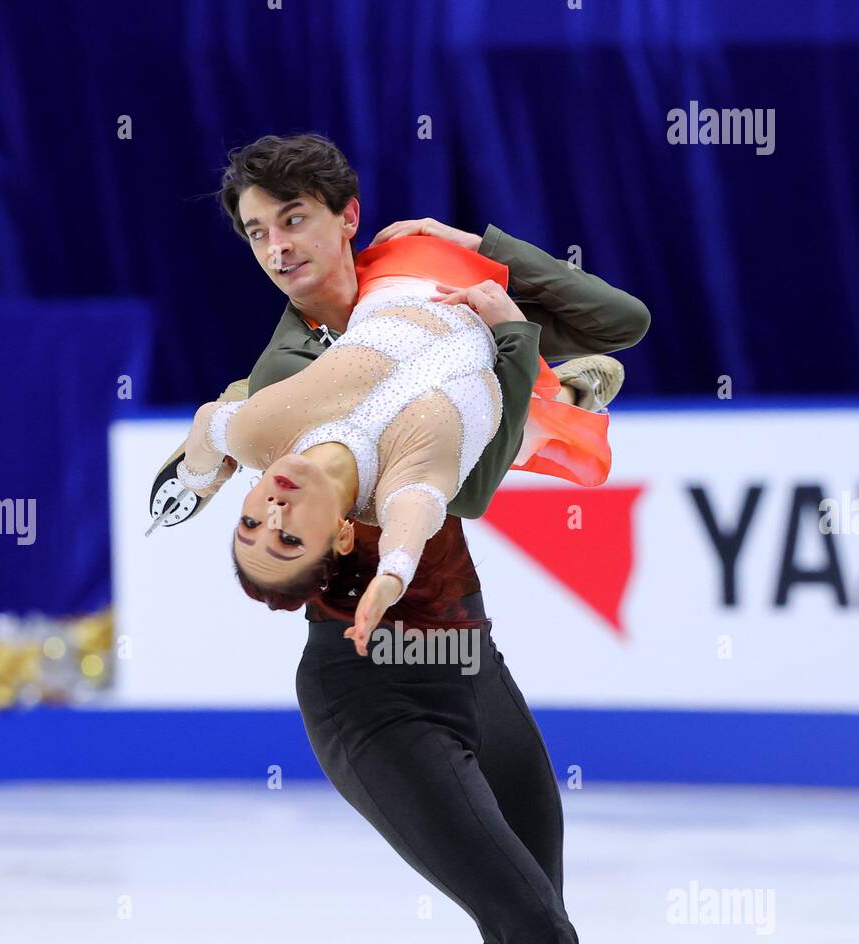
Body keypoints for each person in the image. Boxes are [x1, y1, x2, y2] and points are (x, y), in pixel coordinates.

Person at [152, 133, 691, 944]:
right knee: (528, 924)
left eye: (292, 219)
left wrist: (475, 256)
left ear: (346, 215)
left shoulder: (422, 262)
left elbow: (623, 319)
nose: (276, 249)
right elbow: (424, 479)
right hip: (366, 682)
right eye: (254, 233)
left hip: (468, 659)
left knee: (532, 926)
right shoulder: (291, 366)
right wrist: (219, 453)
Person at [177, 232, 614, 655]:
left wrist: (195, 481)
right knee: (468, 492)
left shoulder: (257, 434)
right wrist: (391, 576)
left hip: (414, 281)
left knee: (266, 392)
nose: (273, 513)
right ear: (342, 537)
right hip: (496, 345)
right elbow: (412, 519)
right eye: (289, 539)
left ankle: (561, 398)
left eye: (249, 526)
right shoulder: (400, 488)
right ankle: (564, 397)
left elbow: (205, 425)